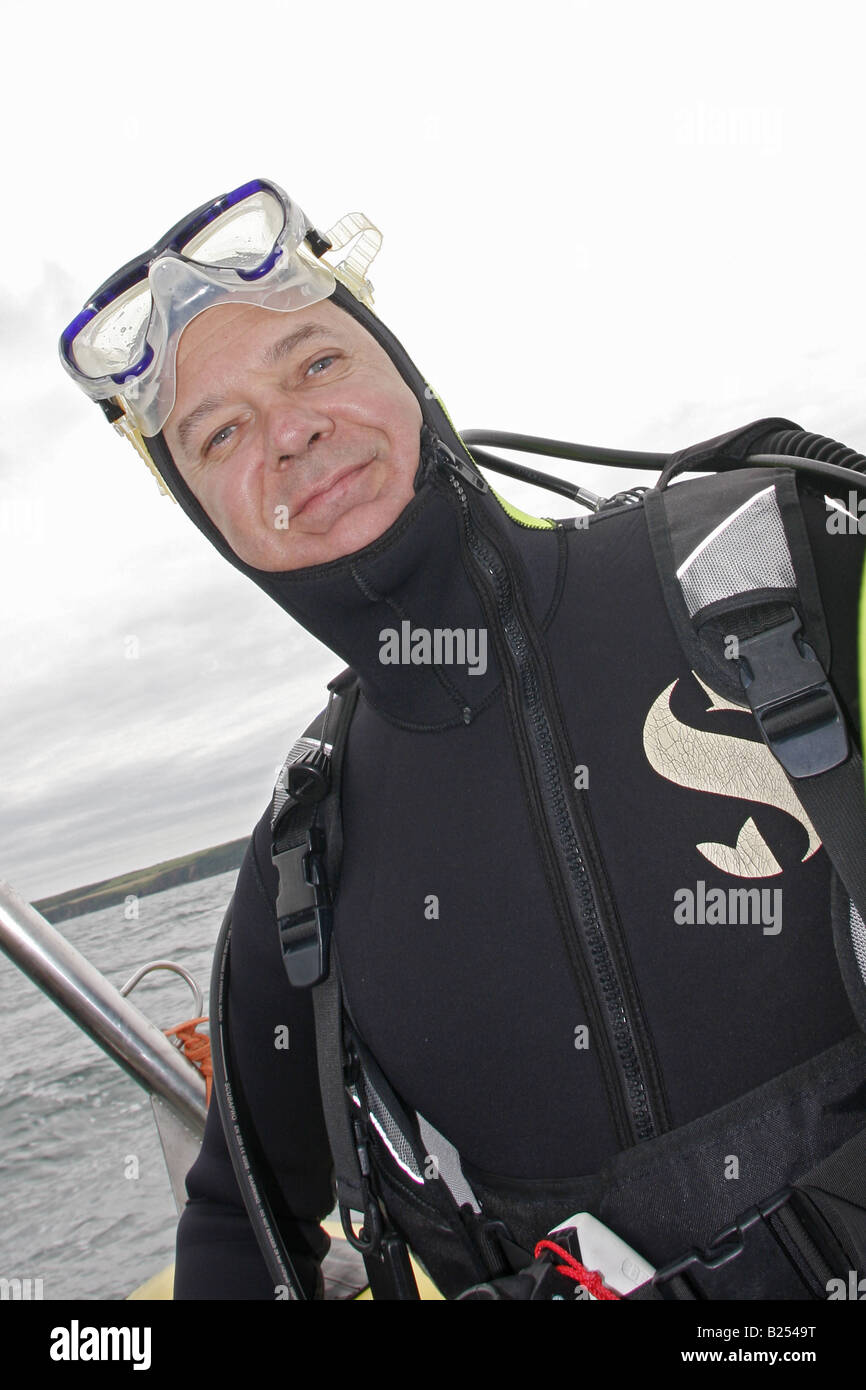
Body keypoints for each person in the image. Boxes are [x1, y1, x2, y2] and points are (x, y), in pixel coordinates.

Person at [60, 178, 866, 1301]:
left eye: (315, 362)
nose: (289, 431)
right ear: (208, 515)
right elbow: (238, 1218)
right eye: (220, 432)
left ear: (407, 372)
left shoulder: (780, 564)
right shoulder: (306, 860)